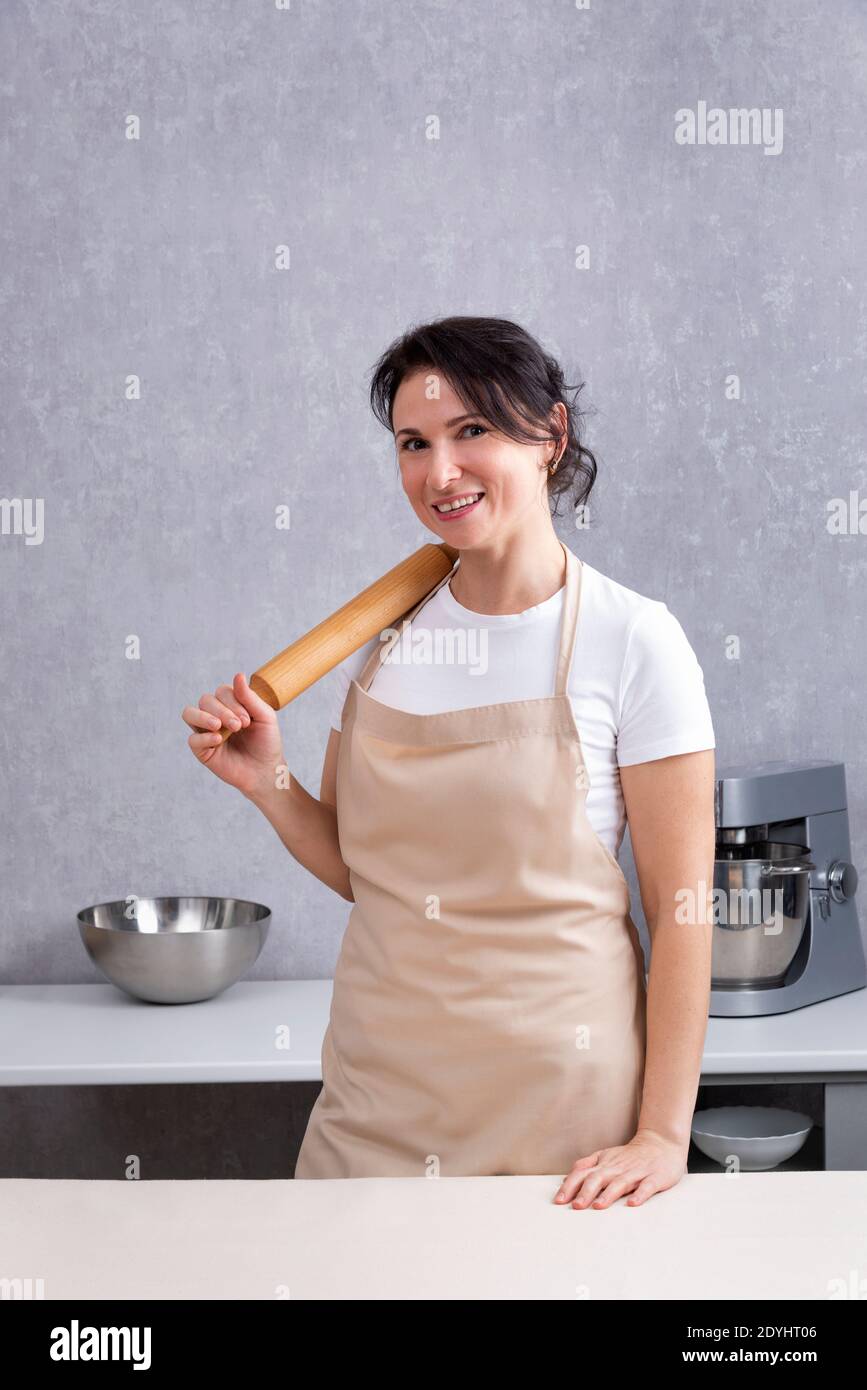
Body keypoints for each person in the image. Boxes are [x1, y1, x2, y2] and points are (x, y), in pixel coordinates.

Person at [182, 316, 716, 1209]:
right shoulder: (383, 638)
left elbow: (680, 910)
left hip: (563, 1113)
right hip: (378, 1096)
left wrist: (661, 1134)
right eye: (413, 442)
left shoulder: (634, 641)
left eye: (473, 431)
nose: (440, 472)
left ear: (550, 435)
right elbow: (367, 872)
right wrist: (266, 781)